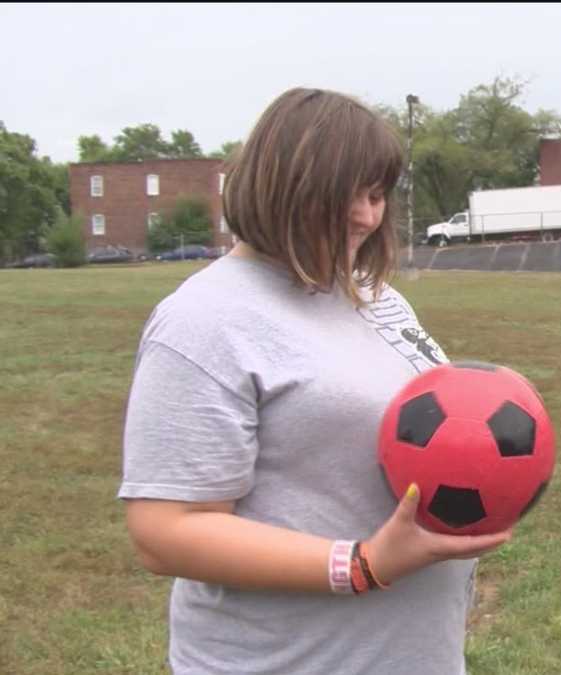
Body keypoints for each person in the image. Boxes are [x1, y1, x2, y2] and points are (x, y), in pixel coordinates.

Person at [119, 88, 511, 675]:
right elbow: (164, 531)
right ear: (284, 186)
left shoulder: (374, 295)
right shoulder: (205, 320)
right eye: (345, 194)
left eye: (376, 194)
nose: (365, 215)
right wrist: (363, 564)